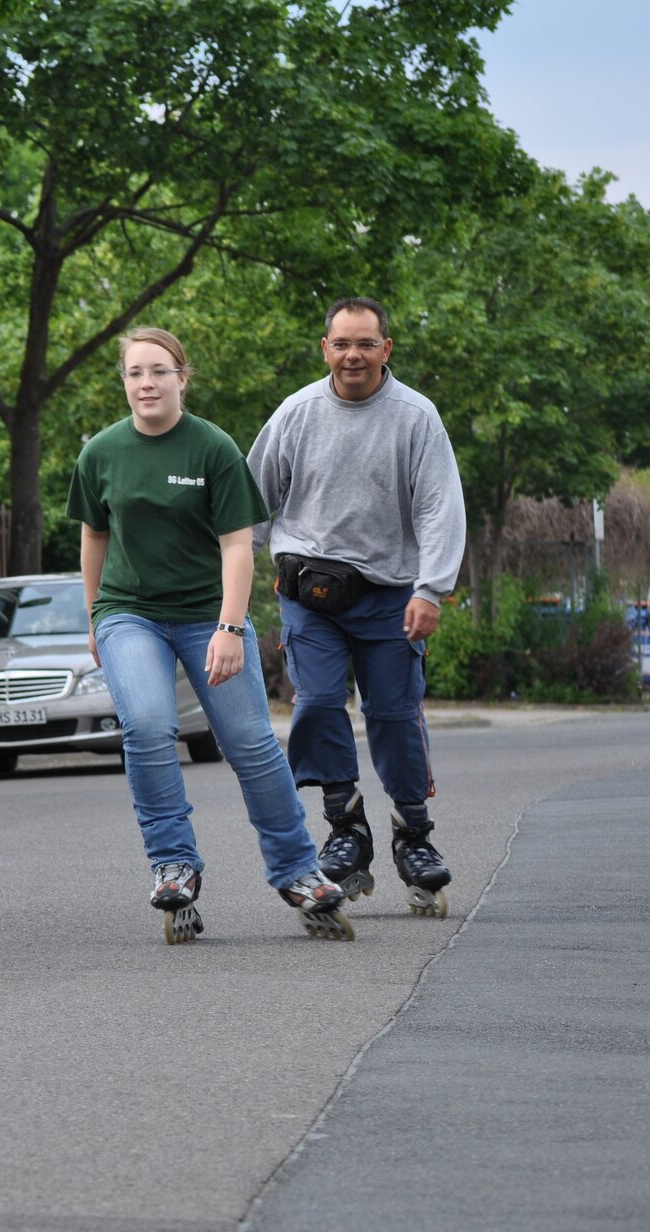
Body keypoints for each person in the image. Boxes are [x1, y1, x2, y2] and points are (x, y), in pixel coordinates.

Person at [65, 330, 353, 944]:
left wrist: (228, 626)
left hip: (207, 613)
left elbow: (237, 545)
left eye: (159, 372)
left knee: (249, 742)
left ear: (181, 378)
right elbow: (93, 537)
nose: (147, 383)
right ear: (125, 381)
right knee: (146, 726)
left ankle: (299, 871)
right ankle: (174, 865)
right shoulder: (101, 454)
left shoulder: (212, 448)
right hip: (129, 611)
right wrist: (94, 616)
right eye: (135, 373)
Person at [247, 298, 466, 918]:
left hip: (392, 595)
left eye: (365, 344)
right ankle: (345, 825)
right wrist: (244, 566)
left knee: (394, 715)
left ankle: (413, 835)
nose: (353, 355)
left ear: (386, 349)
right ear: (325, 348)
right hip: (309, 595)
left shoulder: (415, 416)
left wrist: (431, 589)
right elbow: (253, 498)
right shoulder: (297, 412)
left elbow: (439, 507)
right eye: (341, 343)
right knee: (316, 703)